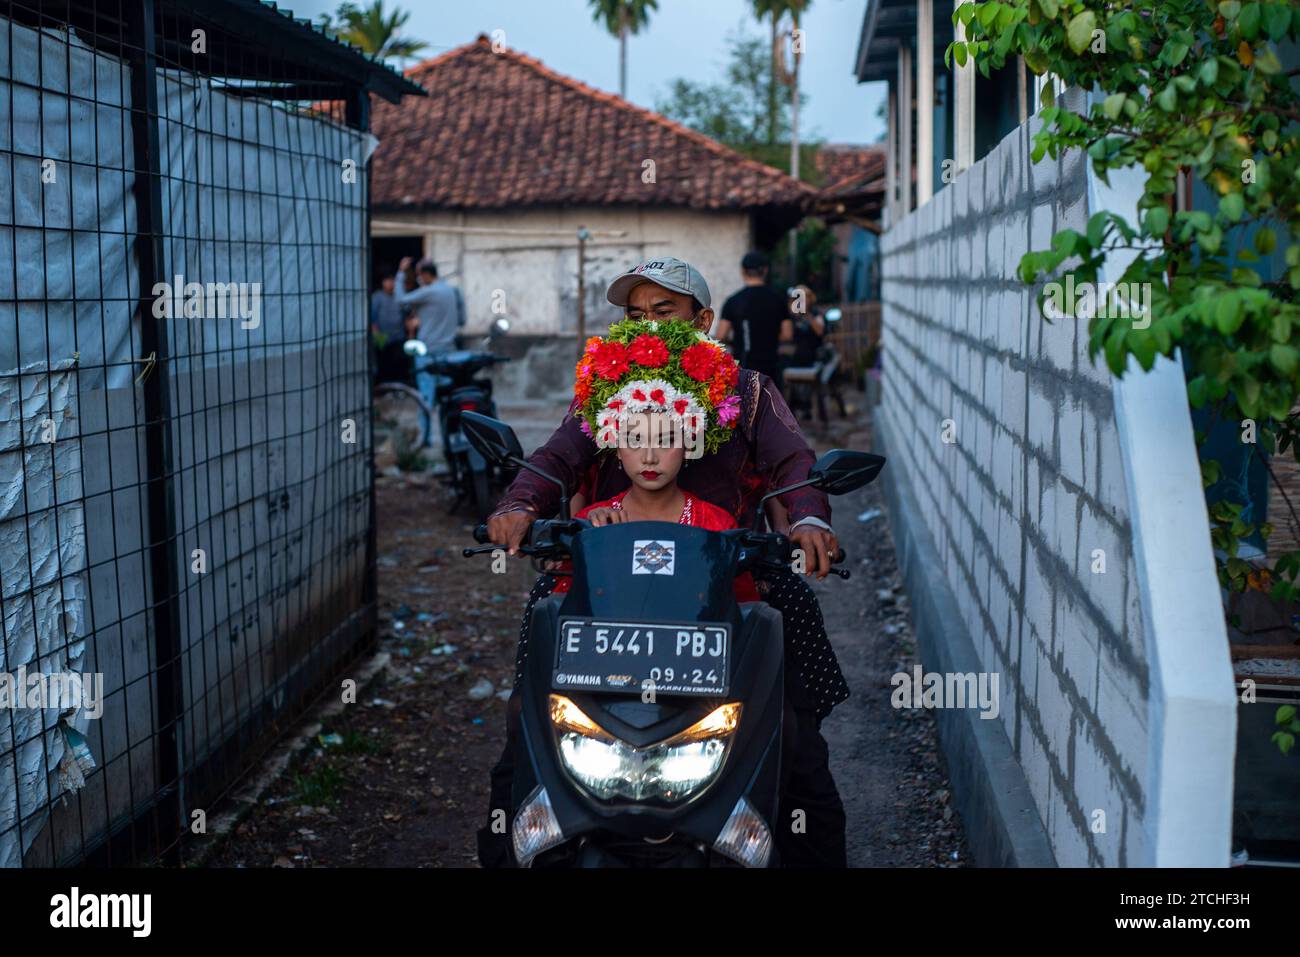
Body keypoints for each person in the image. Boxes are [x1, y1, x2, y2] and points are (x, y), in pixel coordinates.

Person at [478, 256, 849, 869]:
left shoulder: (749, 390)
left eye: (664, 311)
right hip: (605, 582)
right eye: (634, 313)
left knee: (791, 729)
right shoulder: (602, 386)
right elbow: (558, 457)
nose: (646, 324)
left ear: (703, 320)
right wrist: (519, 503)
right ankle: (515, 846)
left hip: (726, 578)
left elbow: (793, 465)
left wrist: (808, 519)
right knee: (525, 719)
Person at [395, 256, 466, 452]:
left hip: (428, 351)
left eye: (419, 276)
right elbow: (462, 320)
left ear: (426, 274)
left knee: (426, 399)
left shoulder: (428, 291)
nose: (418, 280)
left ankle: (426, 440)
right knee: (449, 398)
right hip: (449, 351)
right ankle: (452, 440)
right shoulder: (452, 291)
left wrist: (401, 274)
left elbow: (400, 300)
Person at [714, 251, 792, 392]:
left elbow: (720, 336)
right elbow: (787, 334)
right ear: (765, 271)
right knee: (770, 410)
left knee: (746, 411)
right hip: (771, 370)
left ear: (743, 271)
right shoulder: (778, 300)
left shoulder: (733, 301)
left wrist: (737, 339)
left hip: (744, 369)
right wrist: (769, 336)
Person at [370, 272, 409, 383]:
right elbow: (372, 318)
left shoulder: (399, 297)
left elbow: (406, 315)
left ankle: (398, 385)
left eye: (393, 281)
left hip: (399, 336)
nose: (391, 283)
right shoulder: (377, 297)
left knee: (398, 364)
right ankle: (385, 386)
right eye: (388, 280)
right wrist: (377, 336)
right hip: (383, 338)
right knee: (384, 364)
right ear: (383, 282)